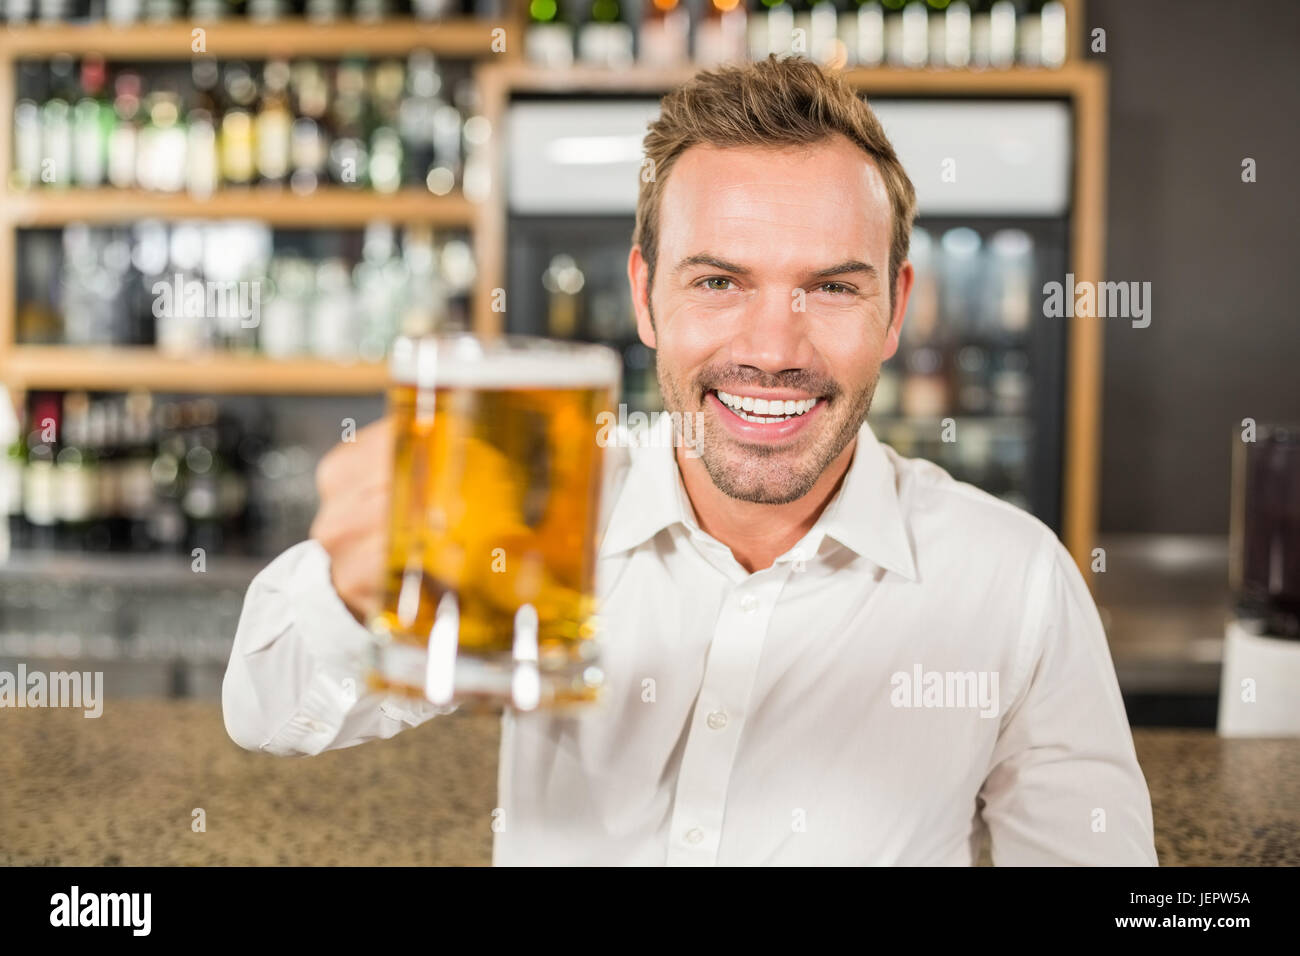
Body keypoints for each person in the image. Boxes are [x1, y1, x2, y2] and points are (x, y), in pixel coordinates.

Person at [223, 55, 1158, 866]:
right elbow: (265, 710)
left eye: (832, 287)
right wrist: (361, 591)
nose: (774, 346)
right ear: (644, 296)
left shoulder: (1012, 579)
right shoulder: (541, 515)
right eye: (718, 281)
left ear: (897, 309)